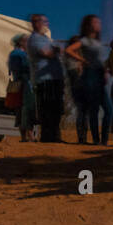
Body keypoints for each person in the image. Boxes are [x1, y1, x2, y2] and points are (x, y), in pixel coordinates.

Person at [65, 14, 110, 144]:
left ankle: (102, 140)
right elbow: (69, 50)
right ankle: (95, 140)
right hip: (89, 77)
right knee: (91, 110)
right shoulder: (84, 41)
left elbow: (100, 60)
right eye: (95, 22)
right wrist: (83, 60)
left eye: (99, 22)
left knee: (108, 109)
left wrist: (104, 71)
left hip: (98, 76)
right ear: (89, 25)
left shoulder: (98, 42)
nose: (99, 24)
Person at [27, 14, 64, 142]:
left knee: (56, 109)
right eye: (44, 21)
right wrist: (58, 50)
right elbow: (46, 53)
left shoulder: (45, 38)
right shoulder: (35, 39)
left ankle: (54, 137)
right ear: (36, 23)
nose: (46, 24)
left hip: (54, 78)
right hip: (46, 80)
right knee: (48, 109)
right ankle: (48, 138)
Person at [7, 33, 36, 140]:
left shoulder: (15, 53)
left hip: (18, 83)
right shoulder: (19, 54)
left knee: (20, 110)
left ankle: (24, 136)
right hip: (24, 84)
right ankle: (30, 136)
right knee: (27, 109)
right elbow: (26, 68)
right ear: (21, 42)